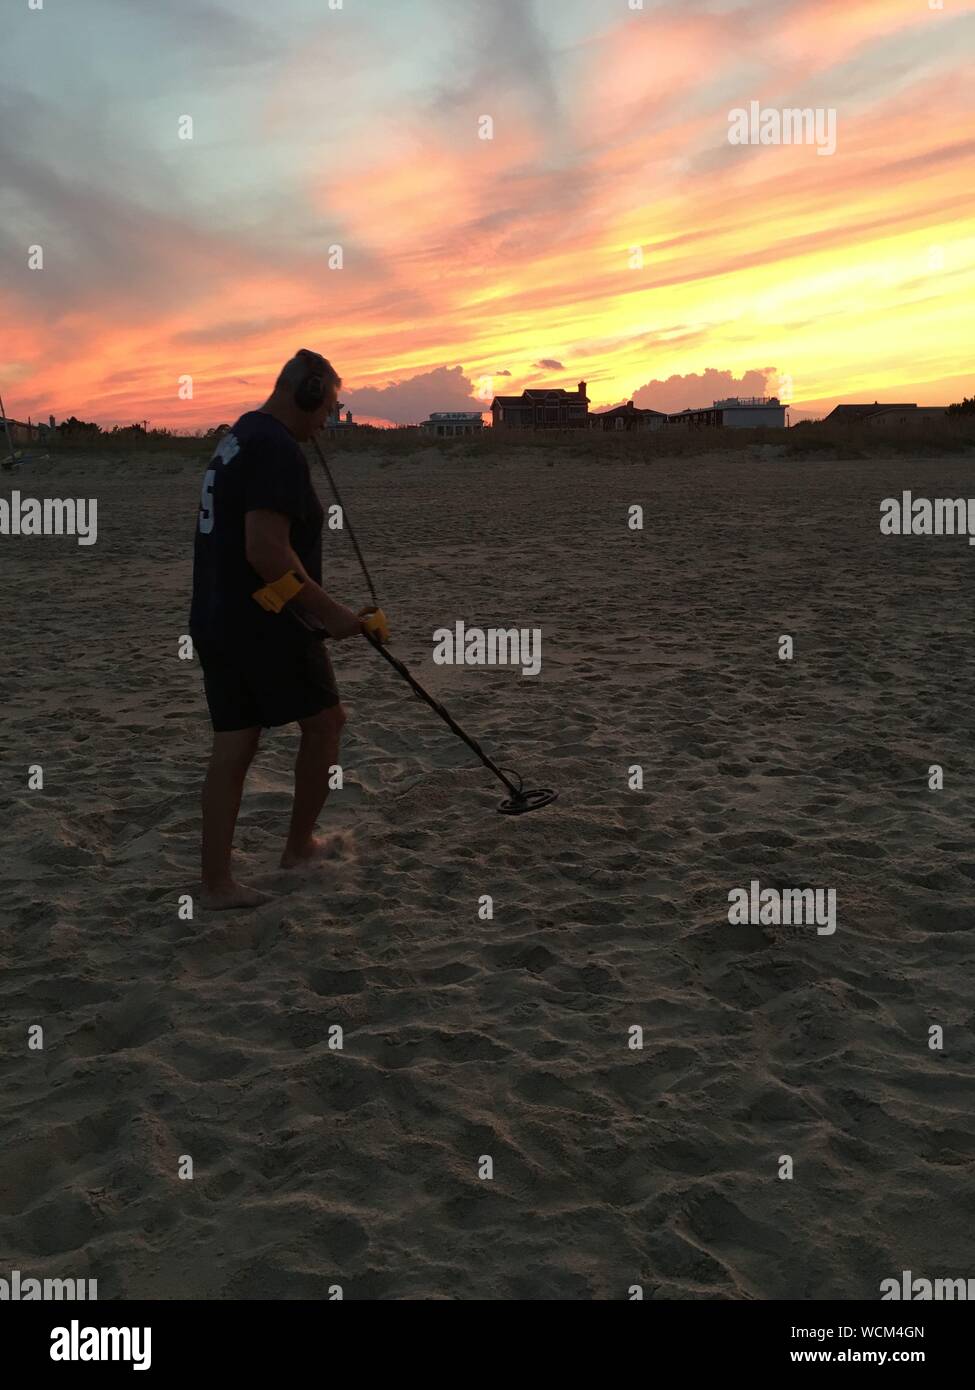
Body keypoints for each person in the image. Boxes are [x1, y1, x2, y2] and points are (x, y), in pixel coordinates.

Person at [189, 349, 366, 909]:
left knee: (236, 743)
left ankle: (217, 884)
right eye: (329, 407)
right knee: (326, 722)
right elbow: (267, 550)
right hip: (266, 619)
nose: (327, 421)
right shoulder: (276, 449)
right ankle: (298, 848)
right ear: (308, 393)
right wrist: (330, 613)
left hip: (217, 616)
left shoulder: (240, 435)